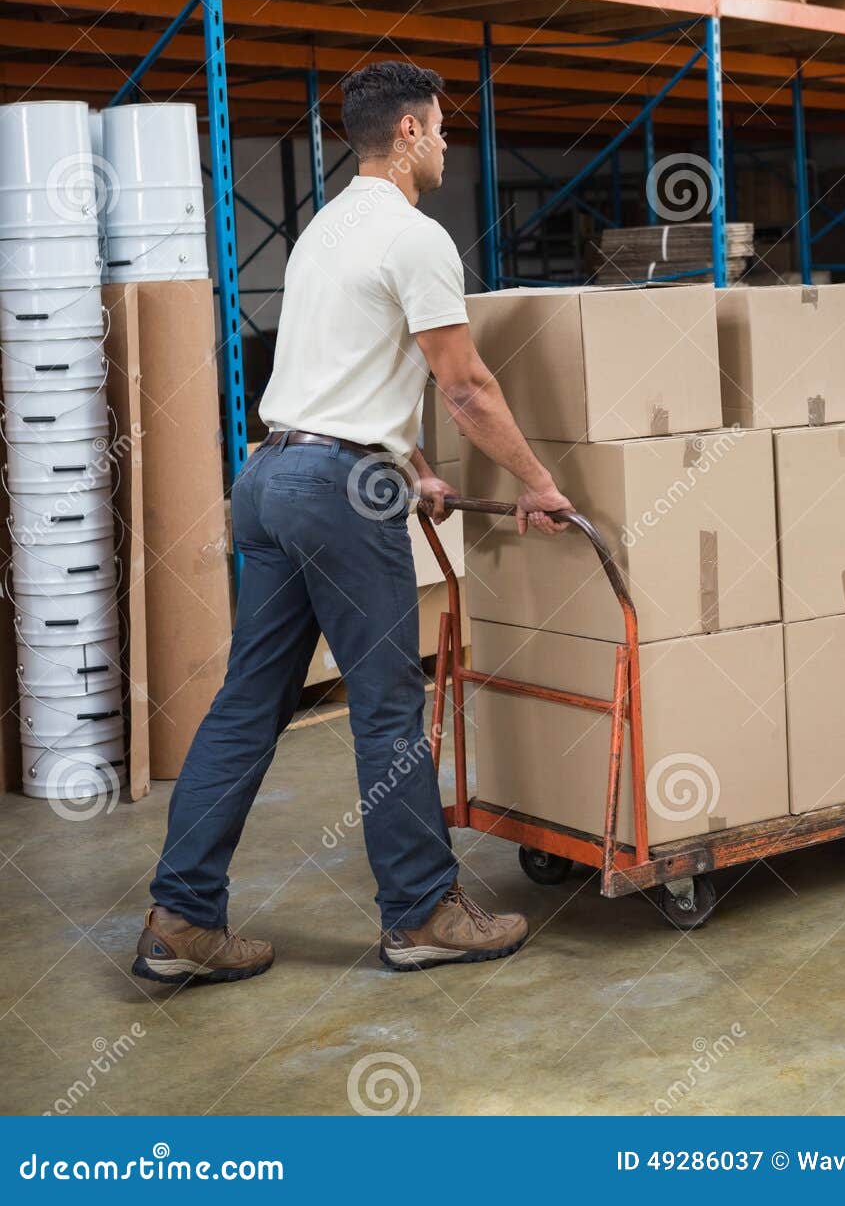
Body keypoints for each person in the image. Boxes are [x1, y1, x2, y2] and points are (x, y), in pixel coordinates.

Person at [134, 60, 572, 985]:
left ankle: (180, 921)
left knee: (246, 706)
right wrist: (537, 482)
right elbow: (463, 387)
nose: (450, 143)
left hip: (270, 476)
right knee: (385, 707)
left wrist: (407, 468)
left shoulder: (323, 230)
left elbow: (343, 372)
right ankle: (421, 914)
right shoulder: (416, 238)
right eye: (443, 128)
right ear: (409, 133)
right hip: (339, 490)